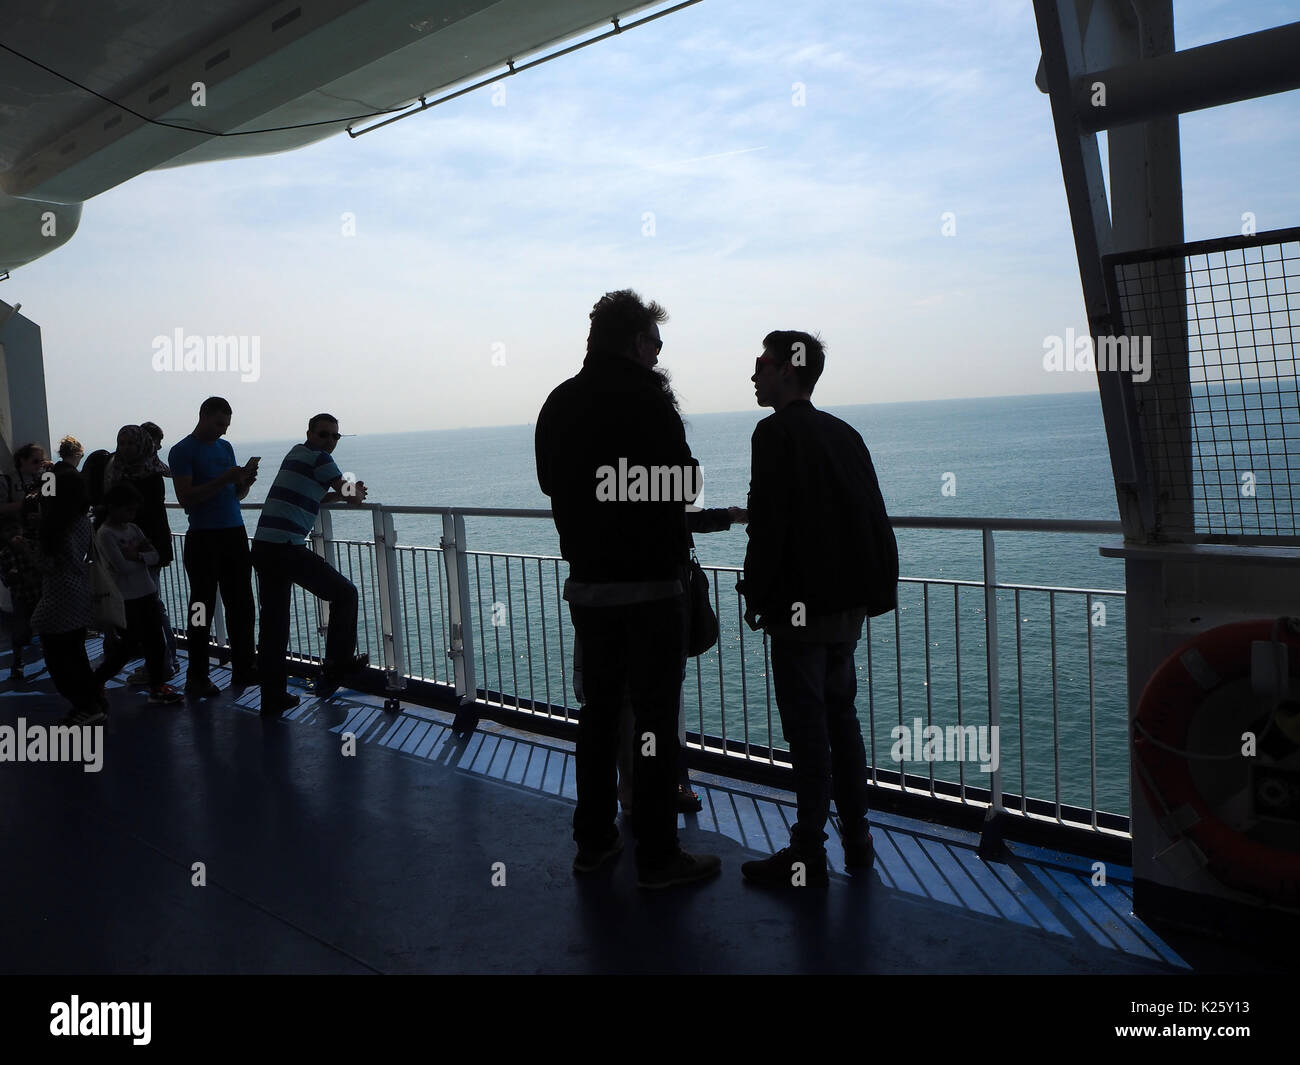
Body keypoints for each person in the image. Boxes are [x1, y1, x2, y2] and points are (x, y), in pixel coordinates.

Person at [536, 289, 721, 890]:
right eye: (656, 344)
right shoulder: (649, 398)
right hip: (652, 588)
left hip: (589, 586)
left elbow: (550, 481)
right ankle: (659, 856)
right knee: (653, 719)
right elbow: (684, 483)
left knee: (597, 715)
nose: (659, 354)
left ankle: (594, 843)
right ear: (638, 343)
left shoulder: (559, 402)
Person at [738, 330, 898, 888]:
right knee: (841, 720)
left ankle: (807, 852)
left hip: (799, 610)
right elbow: (871, 517)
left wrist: (755, 593)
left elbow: (769, 524)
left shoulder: (774, 432)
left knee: (807, 730)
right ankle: (859, 843)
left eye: (762, 364)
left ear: (787, 370)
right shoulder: (845, 433)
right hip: (845, 608)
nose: (754, 374)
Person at [251, 414, 369, 717]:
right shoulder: (321, 459)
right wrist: (354, 492)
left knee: (273, 626)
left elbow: (314, 493)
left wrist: (340, 494)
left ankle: (272, 696)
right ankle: (337, 664)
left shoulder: (296, 453)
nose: (329, 441)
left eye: (334, 437)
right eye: (324, 434)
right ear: (310, 434)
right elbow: (352, 496)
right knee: (345, 594)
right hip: (287, 547)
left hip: (264, 545)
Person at [168, 397, 259, 698]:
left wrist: (243, 482)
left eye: (227, 425)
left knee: (242, 605)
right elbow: (186, 498)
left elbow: (236, 495)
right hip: (204, 538)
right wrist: (224, 480)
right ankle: (197, 676)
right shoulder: (181, 451)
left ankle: (244, 667)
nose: (223, 431)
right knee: (201, 609)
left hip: (234, 532)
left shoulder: (226, 448)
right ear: (203, 416)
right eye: (219, 424)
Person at [92, 483, 183, 704]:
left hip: (147, 592)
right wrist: (141, 557)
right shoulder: (105, 534)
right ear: (113, 507)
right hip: (127, 597)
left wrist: (137, 557)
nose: (131, 514)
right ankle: (97, 679)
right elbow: (121, 567)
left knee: (155, 643)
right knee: (129, 645)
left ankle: (157, 686)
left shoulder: (133, 529)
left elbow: (155, 556)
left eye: (133, 510)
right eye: (128, 510)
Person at [29, 462, 105, 724]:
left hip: (58, 597)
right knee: (77, 655)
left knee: (59, 663)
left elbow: (47, 565)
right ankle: (93, 703)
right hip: (80, 592)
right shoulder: (82, 520)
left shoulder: (55, 525)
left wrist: (24, 549)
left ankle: (87, 706)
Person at [108, 425, 179, 680]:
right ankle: (166, 659)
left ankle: (161, 665)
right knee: (153, 605)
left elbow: (144, 514)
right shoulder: (139, 471)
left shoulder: (145, 476)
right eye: (122, 442)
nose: (125, 448)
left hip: (143, 547)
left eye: (130, 443)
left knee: (150, 607)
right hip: (141, 546)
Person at [1, 443, 51, 684]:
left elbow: (51, 503)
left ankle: (25, 657)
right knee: (22, 608)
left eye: (41, 461)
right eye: (35, 461)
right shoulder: (6, 481)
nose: (39, 466)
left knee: (42, 601)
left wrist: (49, 476)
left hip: (37, 543)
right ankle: (19, 658)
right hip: (16, 545)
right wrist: (27, 505)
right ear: (21, 461)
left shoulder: (45, 478)